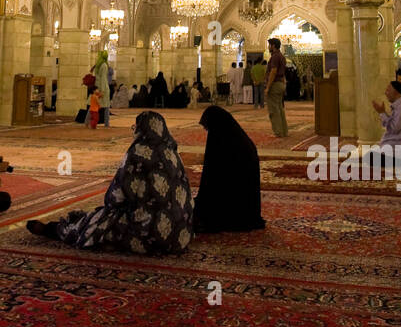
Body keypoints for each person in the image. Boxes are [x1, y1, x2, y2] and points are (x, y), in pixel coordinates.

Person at [27, 111, 193, 255]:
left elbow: (116, 197)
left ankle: (56, 229)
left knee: (97, 223)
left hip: (150, 235)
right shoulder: (173, 153)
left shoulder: (138, 152)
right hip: (180, 234)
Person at [194, 105, 266, 233]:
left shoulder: (227, 142)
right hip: (247, 204)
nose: (207, 130)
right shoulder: (233, 136)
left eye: (207, 127)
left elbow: (212, 176)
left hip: (236, 202)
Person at [372, 80, 401, 147]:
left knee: (369, 156)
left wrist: (382, 113)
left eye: (388, 90)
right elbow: (393, 124)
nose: (385, 93)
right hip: (396, 146)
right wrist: (383, 112)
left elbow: (393, 129)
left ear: (396, 92)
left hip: (400, 148)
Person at [264, 37, 287, 137]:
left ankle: (278, 132)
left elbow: (273, 72)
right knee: (279, 108)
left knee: (274, 110)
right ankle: (284, 130)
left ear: (273, 46)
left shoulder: (275, 57)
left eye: (269, 45)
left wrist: (268, 87)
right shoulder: (281, 56)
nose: (268, 47)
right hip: (280, 84)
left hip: (274, 85)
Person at [91, 49, 111, 127]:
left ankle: (87, 122)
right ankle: (107, 123)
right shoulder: (104, 65)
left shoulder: (98, 65)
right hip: (103, 87)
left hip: (97, 86)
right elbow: (103, 78)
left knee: (93, 106)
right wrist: (102, 91)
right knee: (106, 107)